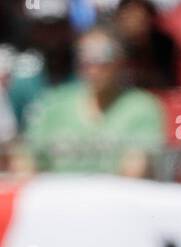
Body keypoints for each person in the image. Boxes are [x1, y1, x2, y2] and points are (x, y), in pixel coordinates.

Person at [18, 23, 165, 175]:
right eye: (85, 58)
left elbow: (134, 171)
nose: (94, 68)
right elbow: (26, 160)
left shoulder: (141, 107)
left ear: (120, 61)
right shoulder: (53, 103)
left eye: (103, 58)